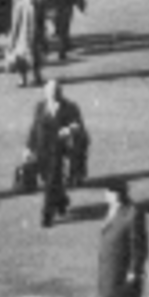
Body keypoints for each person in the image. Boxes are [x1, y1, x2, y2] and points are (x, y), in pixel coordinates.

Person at [26, 79, 87, 227]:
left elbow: (78, 126)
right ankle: (61, 201)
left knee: (52, 181)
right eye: (50, 92)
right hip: (42, 149)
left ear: (60, 92)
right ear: (45, 93)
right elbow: (34, 129)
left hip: (59, 150)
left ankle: (47, 214)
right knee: (48, 179)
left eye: (55, 92)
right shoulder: (40, 107)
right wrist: (28, 148)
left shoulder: (70, 107)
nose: (52, 95)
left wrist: (70, 129)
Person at [97, 179, 149, 297]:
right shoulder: (112, 210)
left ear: (117, 195)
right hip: (108, 266)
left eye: (108, 193)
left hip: (122, 267)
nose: (106, 196)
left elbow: (138, 245)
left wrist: (134, 269)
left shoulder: (133, 213)